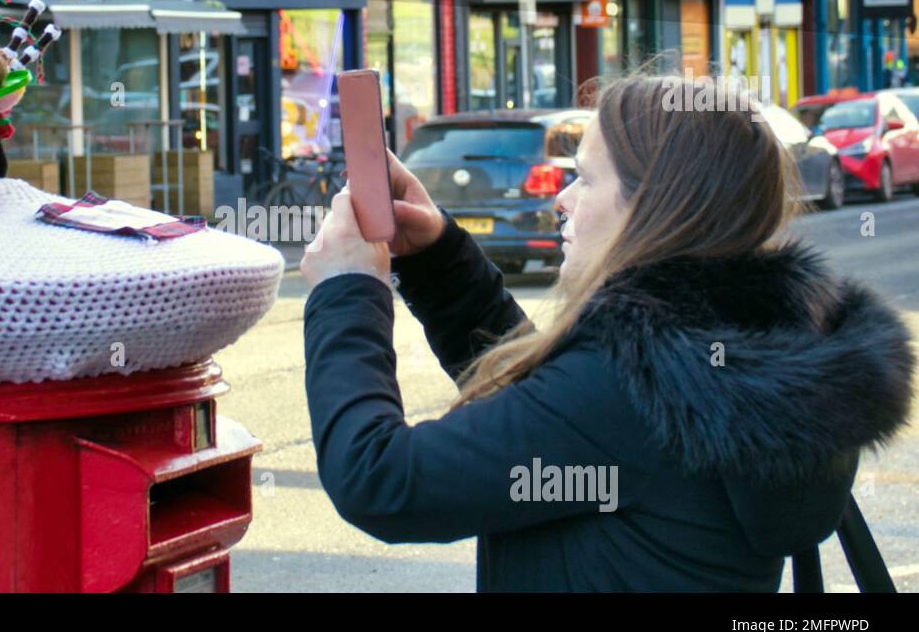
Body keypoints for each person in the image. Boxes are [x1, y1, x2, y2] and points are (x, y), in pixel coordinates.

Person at [299, 75, 915, 591]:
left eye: (586, 178)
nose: (562, 199)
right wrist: (438, 259)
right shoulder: (736, 340)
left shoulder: (626, 386)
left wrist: (347, 291)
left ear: (653, 206)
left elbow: (380, 479)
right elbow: (547, 404)